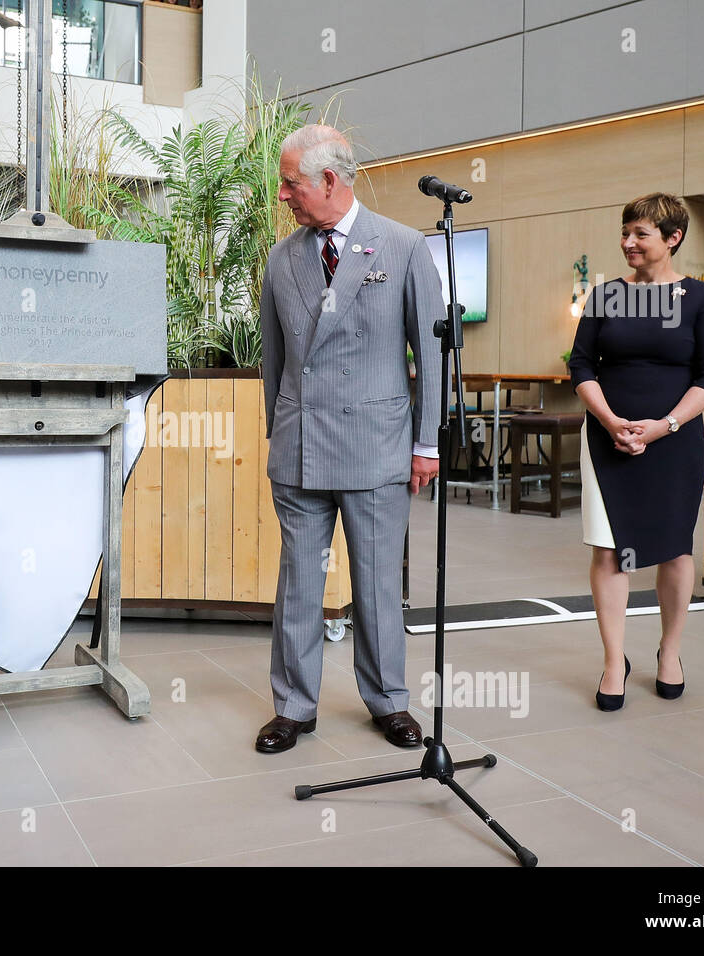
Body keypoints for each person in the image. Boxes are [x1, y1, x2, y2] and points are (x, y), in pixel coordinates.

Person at [255, 124, 443, 753]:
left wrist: (426, 444)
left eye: (290, 183)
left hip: (377, 447)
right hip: (301, 448)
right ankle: (293, 706)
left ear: (329, 181)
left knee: (376, 586)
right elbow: (273, 365)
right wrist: (278, 437)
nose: (283, 195)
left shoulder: (406, 247)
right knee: (299, 586)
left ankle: (389, 701)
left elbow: (433, 358)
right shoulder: (282, 261)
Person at [567, 193, 704, 712]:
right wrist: (612, 421)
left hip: (674, 442)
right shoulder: (605, 295)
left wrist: (663, 426)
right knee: (609, 549)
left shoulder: (701, 299)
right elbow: (582, 367)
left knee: (675, 547)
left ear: (672, 238)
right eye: (625, 232)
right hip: (607, 439)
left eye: (640, 234)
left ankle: (670, 652)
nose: (627, 242)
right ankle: (615, 661)